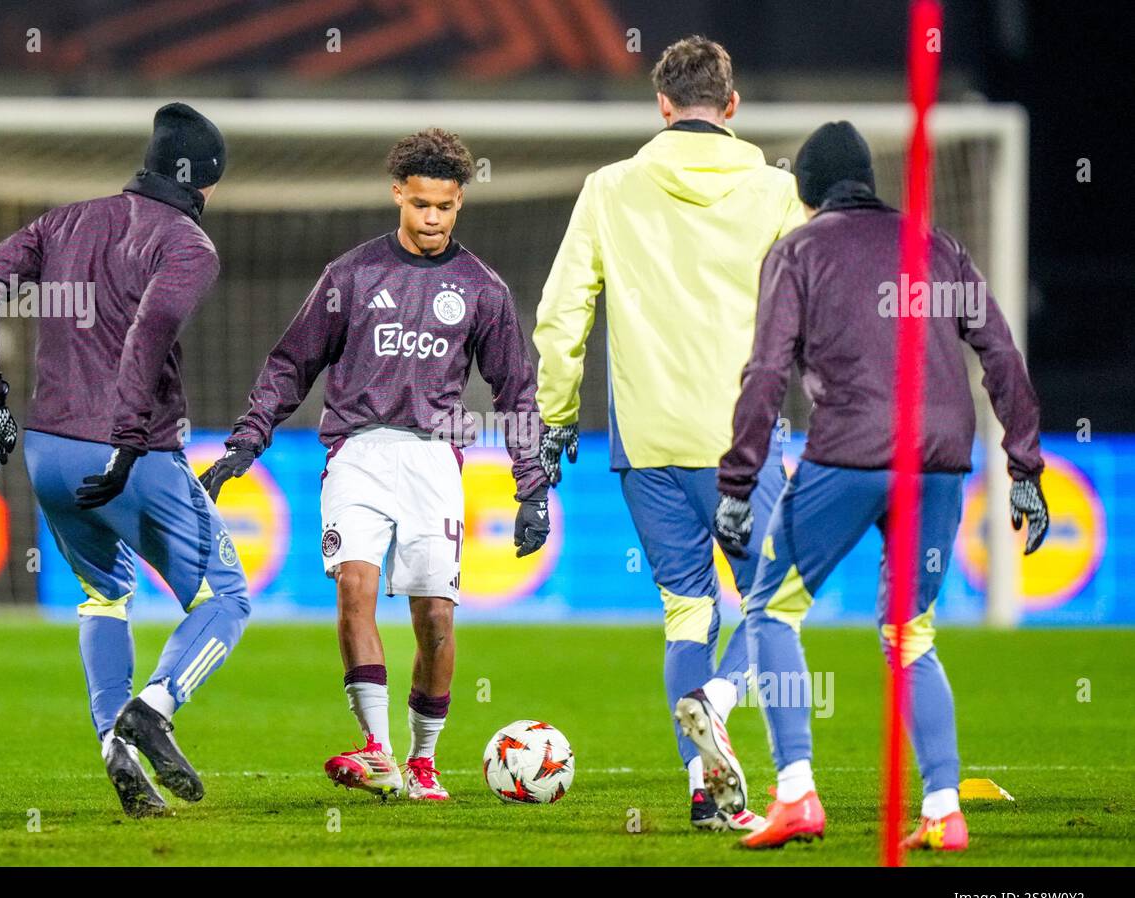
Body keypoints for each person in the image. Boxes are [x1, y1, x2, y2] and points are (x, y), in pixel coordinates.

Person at [700, 120, 1049, 849]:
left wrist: (737, 481)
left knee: (770, 609)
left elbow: (765, 373)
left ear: (804, 189)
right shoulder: (940, 246)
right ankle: (944, 809)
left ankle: (795, 792)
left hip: (850, 457)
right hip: (942, 461)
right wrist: (1023, 468)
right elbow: (1002, 356)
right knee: (910, 632)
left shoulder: (797, 249)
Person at [200, 128, 549, 801]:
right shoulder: (351, 275)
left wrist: (530, 488)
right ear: (398, 194)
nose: (432, 220)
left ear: (460, 202)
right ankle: (378, 751)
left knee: (435, 619)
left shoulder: (481, 289)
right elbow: (291, 362)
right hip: (356, 452)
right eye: (421, 205)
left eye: (445, 208)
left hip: (434, 462)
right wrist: (249, 440)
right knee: (355, 587)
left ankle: (423, 760)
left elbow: (517, 393)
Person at [532, 35, 804, 831]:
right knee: (778, 598)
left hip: (646, 443)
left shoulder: (609, 188)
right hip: (743, 442)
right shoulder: (776, 190)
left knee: (687, 611)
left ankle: (700, 784)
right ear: (732, 106)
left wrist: (554, 418)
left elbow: (559, 316)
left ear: (660, 104)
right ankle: (720, 703)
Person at [0, 103, 249, 817]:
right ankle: (154, 707)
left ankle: (113, 747)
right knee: (227, 598)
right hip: (129, 452)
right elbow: (148, 334)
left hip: (48, 450)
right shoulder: (189, 246)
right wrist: (124, 436)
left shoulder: (63, 222)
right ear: (205, 183)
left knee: (104, 594)